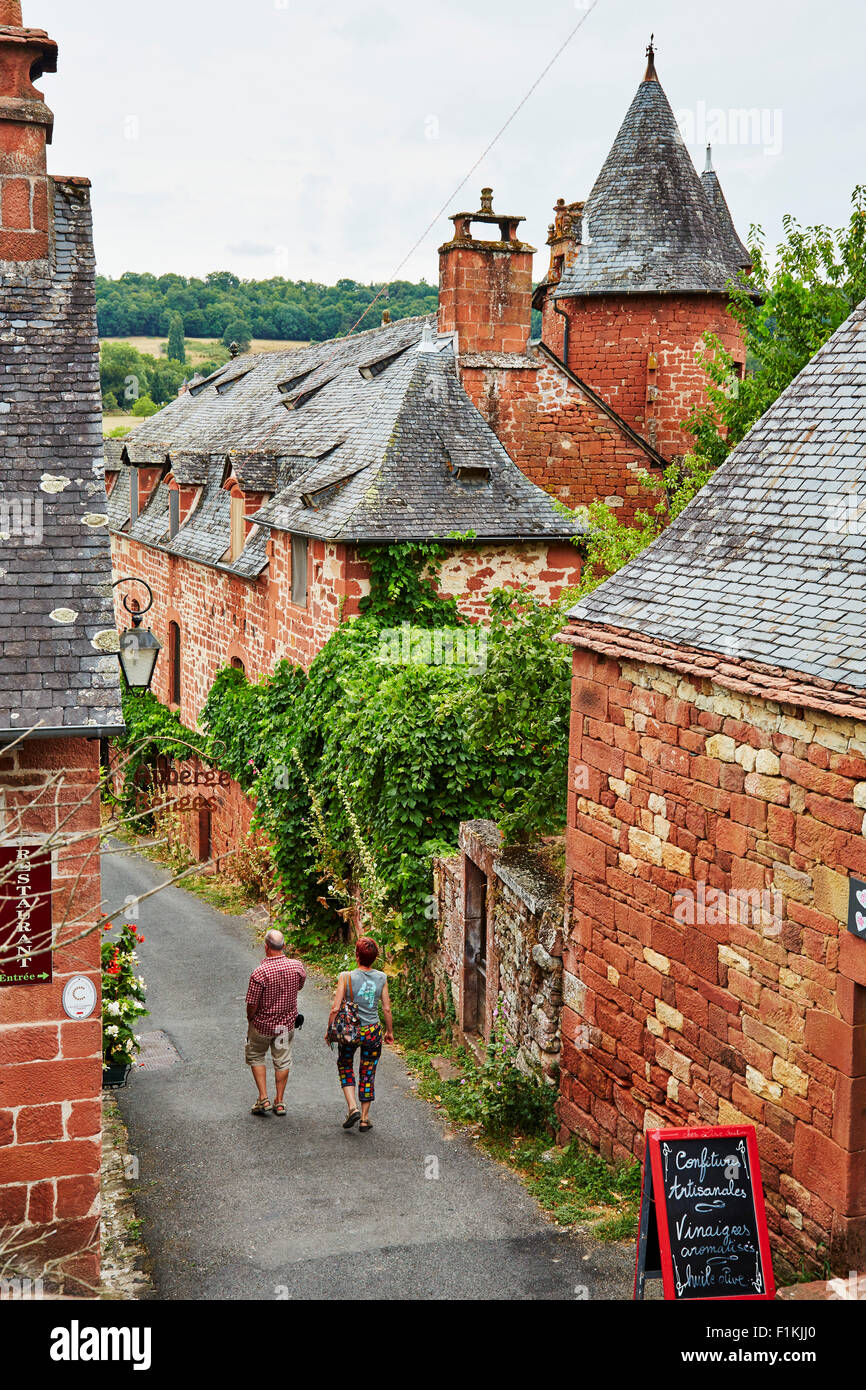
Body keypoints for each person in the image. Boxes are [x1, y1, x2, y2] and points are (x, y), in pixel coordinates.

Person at [326, 937, 393, 1133]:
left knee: (345, 1064)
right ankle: (364, 1118)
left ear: (357, 956)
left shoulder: (345, 977)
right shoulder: (381, 977)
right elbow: (386, 1009)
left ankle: (352, 1107)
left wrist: (330, 1030)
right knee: (368, 1071)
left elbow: (335, 1008)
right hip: (372, 1031)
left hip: (350, 1031)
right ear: (375, 957)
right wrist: (389, 1031)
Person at [245, 928, 306, 1116]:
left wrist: (251, 1019)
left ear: (266, 947)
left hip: (262, 1026)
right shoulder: (297, 967)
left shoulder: (260, 973)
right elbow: (300, 985)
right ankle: (280, 1102)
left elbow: (252, 1003)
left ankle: (263, 1098)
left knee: (256, 1055)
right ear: (284, 946)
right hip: (284, 1026)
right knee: (282, 1060)